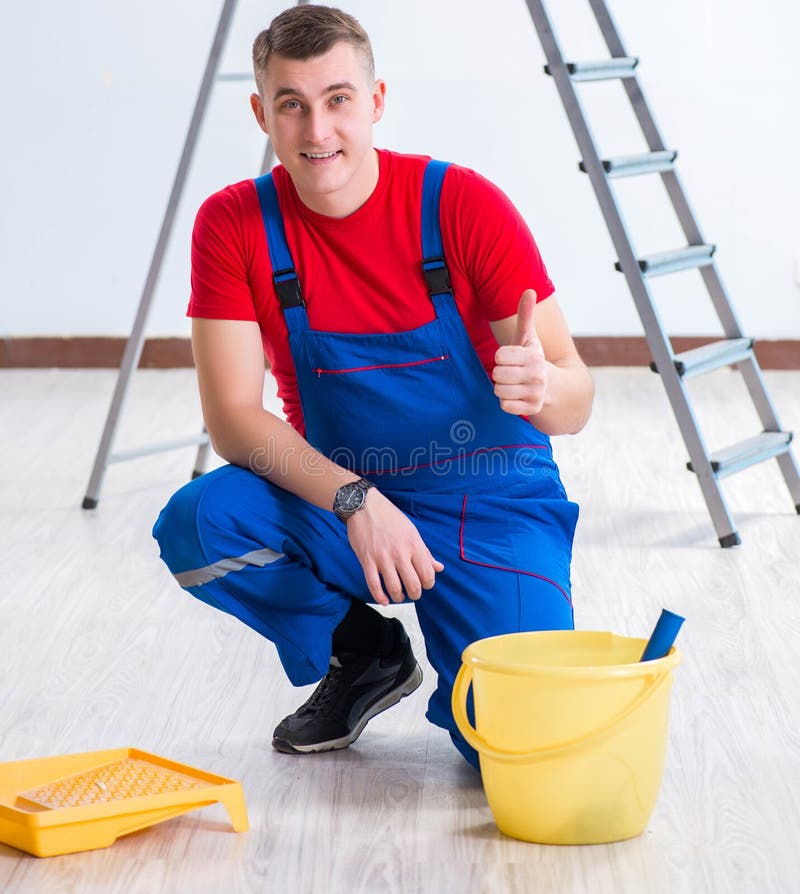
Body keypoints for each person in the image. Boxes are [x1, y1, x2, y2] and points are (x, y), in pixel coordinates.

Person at [152, 4, 594, 771]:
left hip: (492, 502)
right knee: (200, 523)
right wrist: (356, 501)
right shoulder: (234, 225)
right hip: (346, 499)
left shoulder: (461, 205)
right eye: (291, 104)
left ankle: (475, 656)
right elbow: (230, 419)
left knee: (514, 743)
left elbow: (577, 397)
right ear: (262, 113)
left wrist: (542, 385)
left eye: (338, 100)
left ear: (377, 101)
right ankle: (362, 653)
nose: (317, 130)